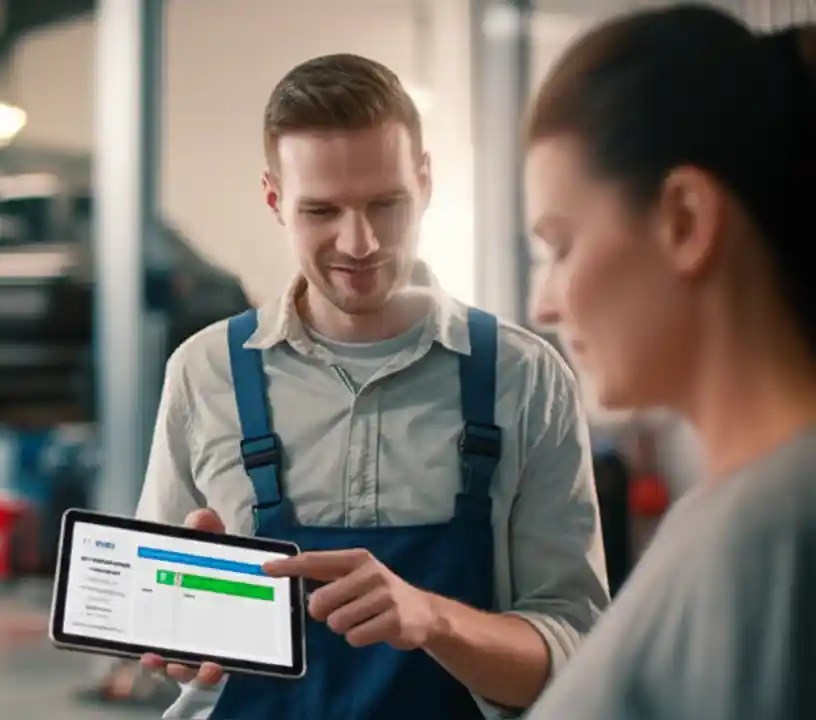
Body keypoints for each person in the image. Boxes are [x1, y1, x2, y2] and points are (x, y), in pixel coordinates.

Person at [134, 53, 610, 719]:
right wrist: (177, 631)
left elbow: (576, 653)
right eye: (321, 210)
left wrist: (434, 621)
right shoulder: (204, 371)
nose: (357, 242)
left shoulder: (524, 380)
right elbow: (156, 621)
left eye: (385, 204)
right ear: (274, 199)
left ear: (425, 180)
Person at [520, 7, 816, 719]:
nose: (544, 306)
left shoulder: (777, 537)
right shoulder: (735, 521)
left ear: (684, 219)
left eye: (560, 248)